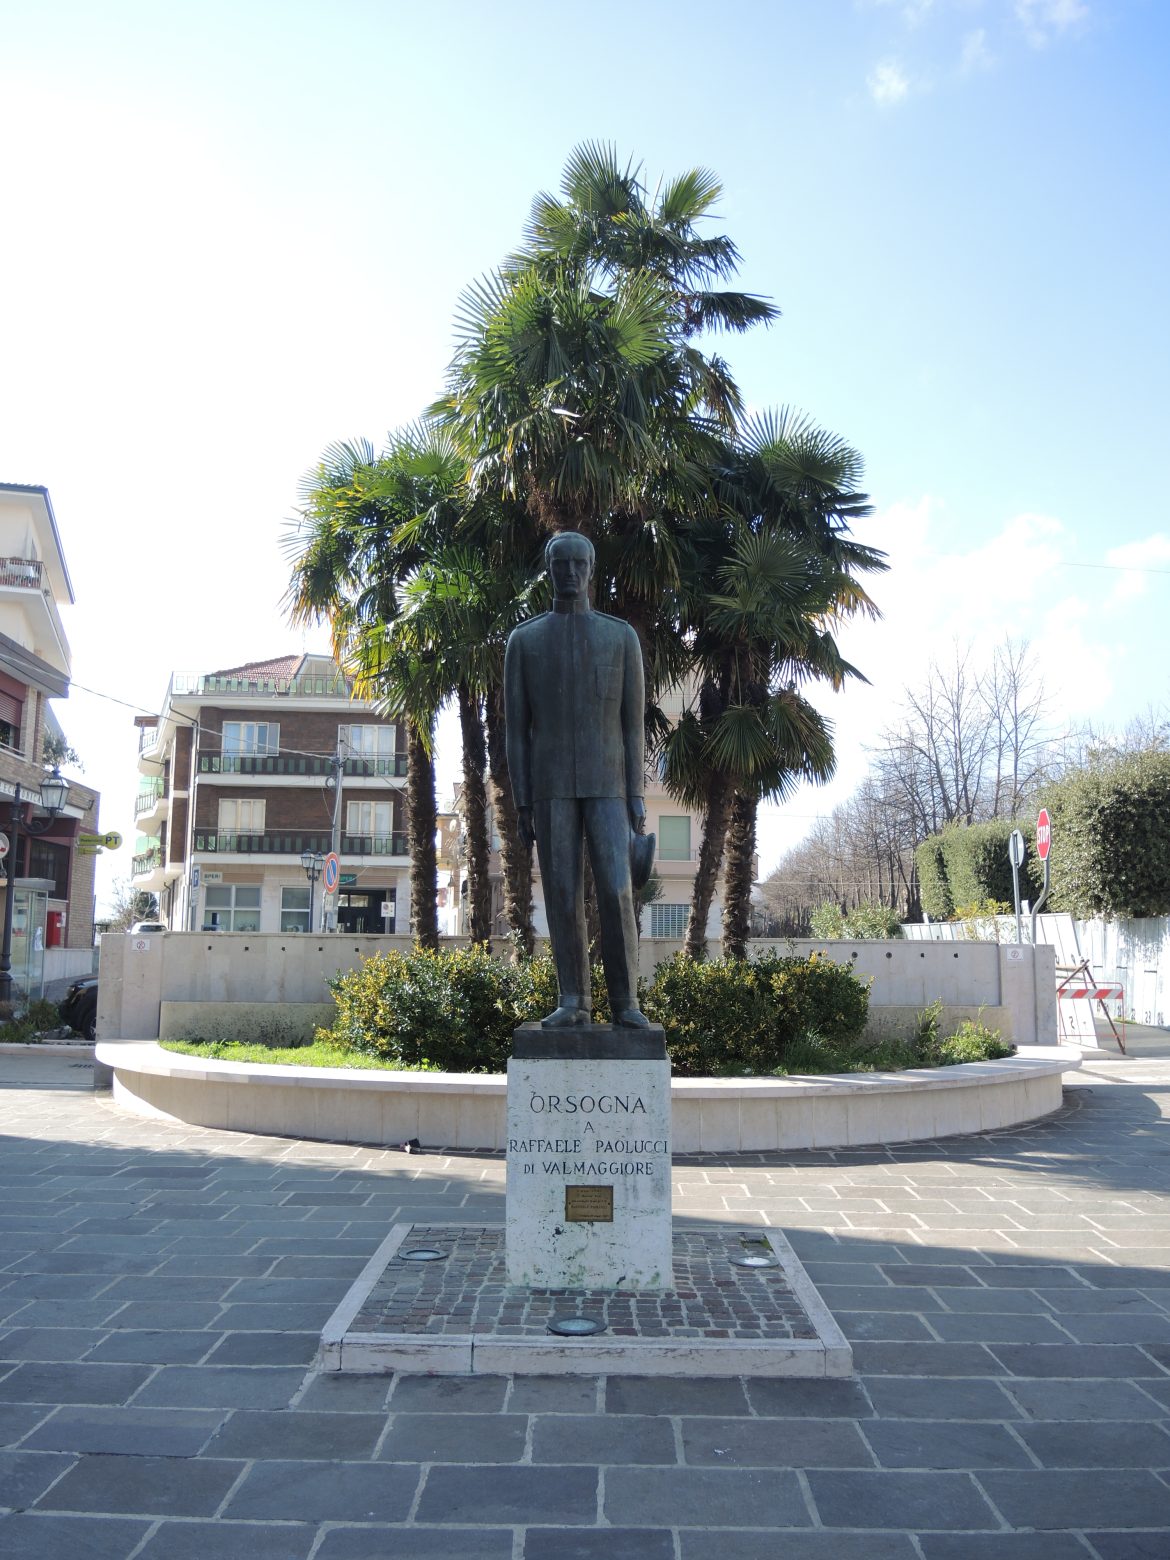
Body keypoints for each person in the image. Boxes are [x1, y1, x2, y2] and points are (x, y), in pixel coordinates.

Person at [504, 531, 651, 1028]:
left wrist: (635, 794)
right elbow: (517, 732)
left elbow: (634, 725)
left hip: (609, 783)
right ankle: (574, 999)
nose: (569, 572)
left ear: (592, 569)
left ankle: (626, 1002)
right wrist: (523, 801)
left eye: (578, 563)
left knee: (616, 889)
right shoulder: (524, 641)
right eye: (560, 563)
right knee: (562, 894)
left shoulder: (620, 637)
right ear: (548, 568)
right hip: (549, 787)